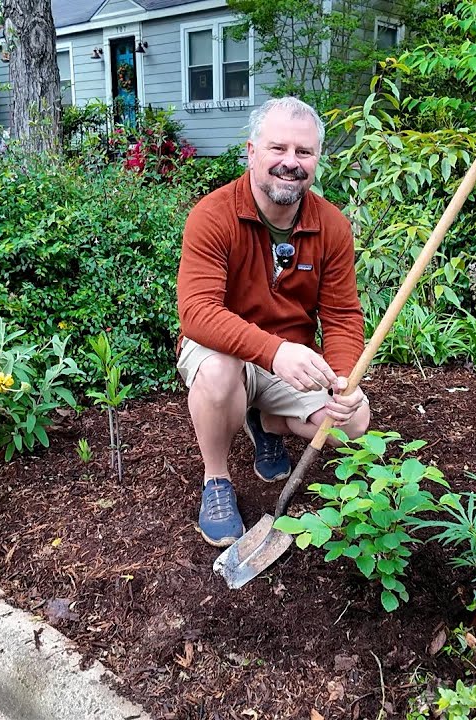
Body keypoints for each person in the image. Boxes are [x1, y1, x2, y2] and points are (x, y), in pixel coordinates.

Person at [176, 96, 371, 547]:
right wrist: (274, 352)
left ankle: (265, 422)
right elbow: (198, 312)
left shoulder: (332, 226)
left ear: (318, 159)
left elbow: (341, 314)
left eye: (304, 152)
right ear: (251, 152)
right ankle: (217, 479)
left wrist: (343, 376)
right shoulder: (214, 215)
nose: (291, 163)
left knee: (354, 420)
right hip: (228, 353)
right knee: (221, 374)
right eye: (278, 149)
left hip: (292, 361)